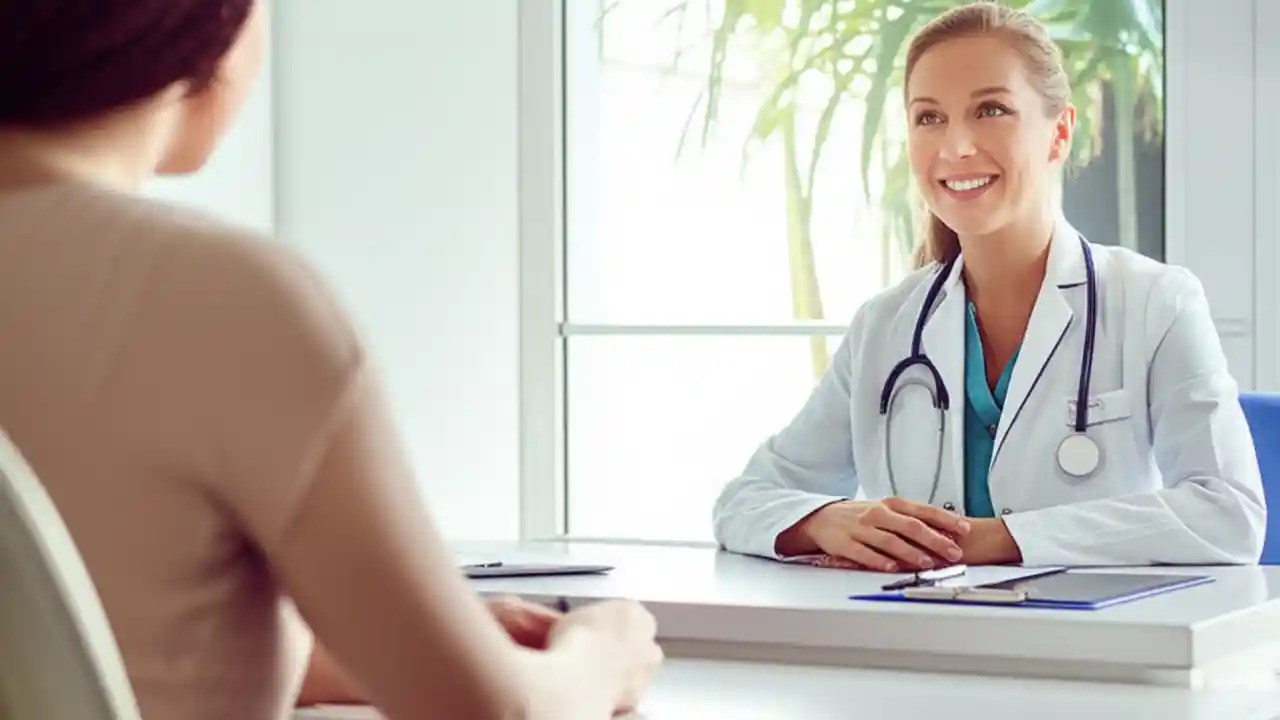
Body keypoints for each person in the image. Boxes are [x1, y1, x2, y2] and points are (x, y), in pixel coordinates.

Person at [0, 2, 662, 719]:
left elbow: (97, 641)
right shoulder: (219, 299)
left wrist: (399, 646)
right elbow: (495, 715)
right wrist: (604, 656)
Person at [712, 2, 1265, 572]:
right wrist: (825, 520)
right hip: (910, 642)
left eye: (991, 109)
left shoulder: (1157, 304)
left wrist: (997, 539)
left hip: (1098, 650)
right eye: (929, 118)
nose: (955, 147)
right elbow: (743, 501)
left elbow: (1229, 515)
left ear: (1059, 133)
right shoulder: (885, 326)